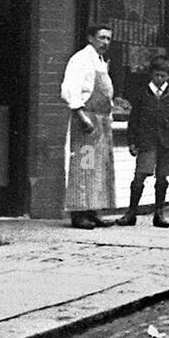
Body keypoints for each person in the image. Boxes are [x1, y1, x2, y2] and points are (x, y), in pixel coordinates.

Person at [118, 55, 169, 228]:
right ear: (151, 74)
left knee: (162, 177)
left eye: (163, 76)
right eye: (157, 75)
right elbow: (134, 119)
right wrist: (132, 141)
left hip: (166, 141)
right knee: (140, 175)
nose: (159, 79)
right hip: (146, 140)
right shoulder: (142, 94)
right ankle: (131, 212)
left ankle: (159, 213)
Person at [59, 24, 118, 228]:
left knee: (98, 168)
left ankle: (92, 211)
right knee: (85, 165)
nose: (105, 42)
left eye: (108, 39)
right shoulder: (81, 59)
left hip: (101, 121)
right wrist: (81, 115)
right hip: (87, 122)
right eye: (101, 38)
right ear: (90, 38)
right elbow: (69, 89)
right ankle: (79, 214)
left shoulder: (101, 62)